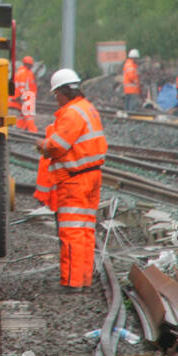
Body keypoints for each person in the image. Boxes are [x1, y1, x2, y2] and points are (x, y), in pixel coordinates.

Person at [35, 68, 107, 291]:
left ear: (63, 92)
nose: (56, 99)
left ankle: (72, 282)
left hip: (75, 180)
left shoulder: (72, 113)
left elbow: (57, 145)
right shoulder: (88, 109)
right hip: (91, 177)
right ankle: (83, 278)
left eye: (56, 94)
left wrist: (42, 145)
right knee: (85, 230)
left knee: (72, 231)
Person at [12, 56, 38, 130]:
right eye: (31, 64)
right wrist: (25, 97)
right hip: (27, 97)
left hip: (28, 97)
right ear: (27, 64)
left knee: (23, 115)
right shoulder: (23, 73)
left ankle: (20, 129)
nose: (32, 66)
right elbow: (22, 86)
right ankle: (33, 131)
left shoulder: (26, 72)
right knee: (29, 116)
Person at [122, 48, 141, 114]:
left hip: (129, 89)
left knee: (128, 104)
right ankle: (131, 115)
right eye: (136, 58)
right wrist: (136, 81)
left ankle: (128, 114)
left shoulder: (129, 64)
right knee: (131, 105)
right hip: (132, 89)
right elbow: (131, 76)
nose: (137, 60)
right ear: (134, 57)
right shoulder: (130, 65)